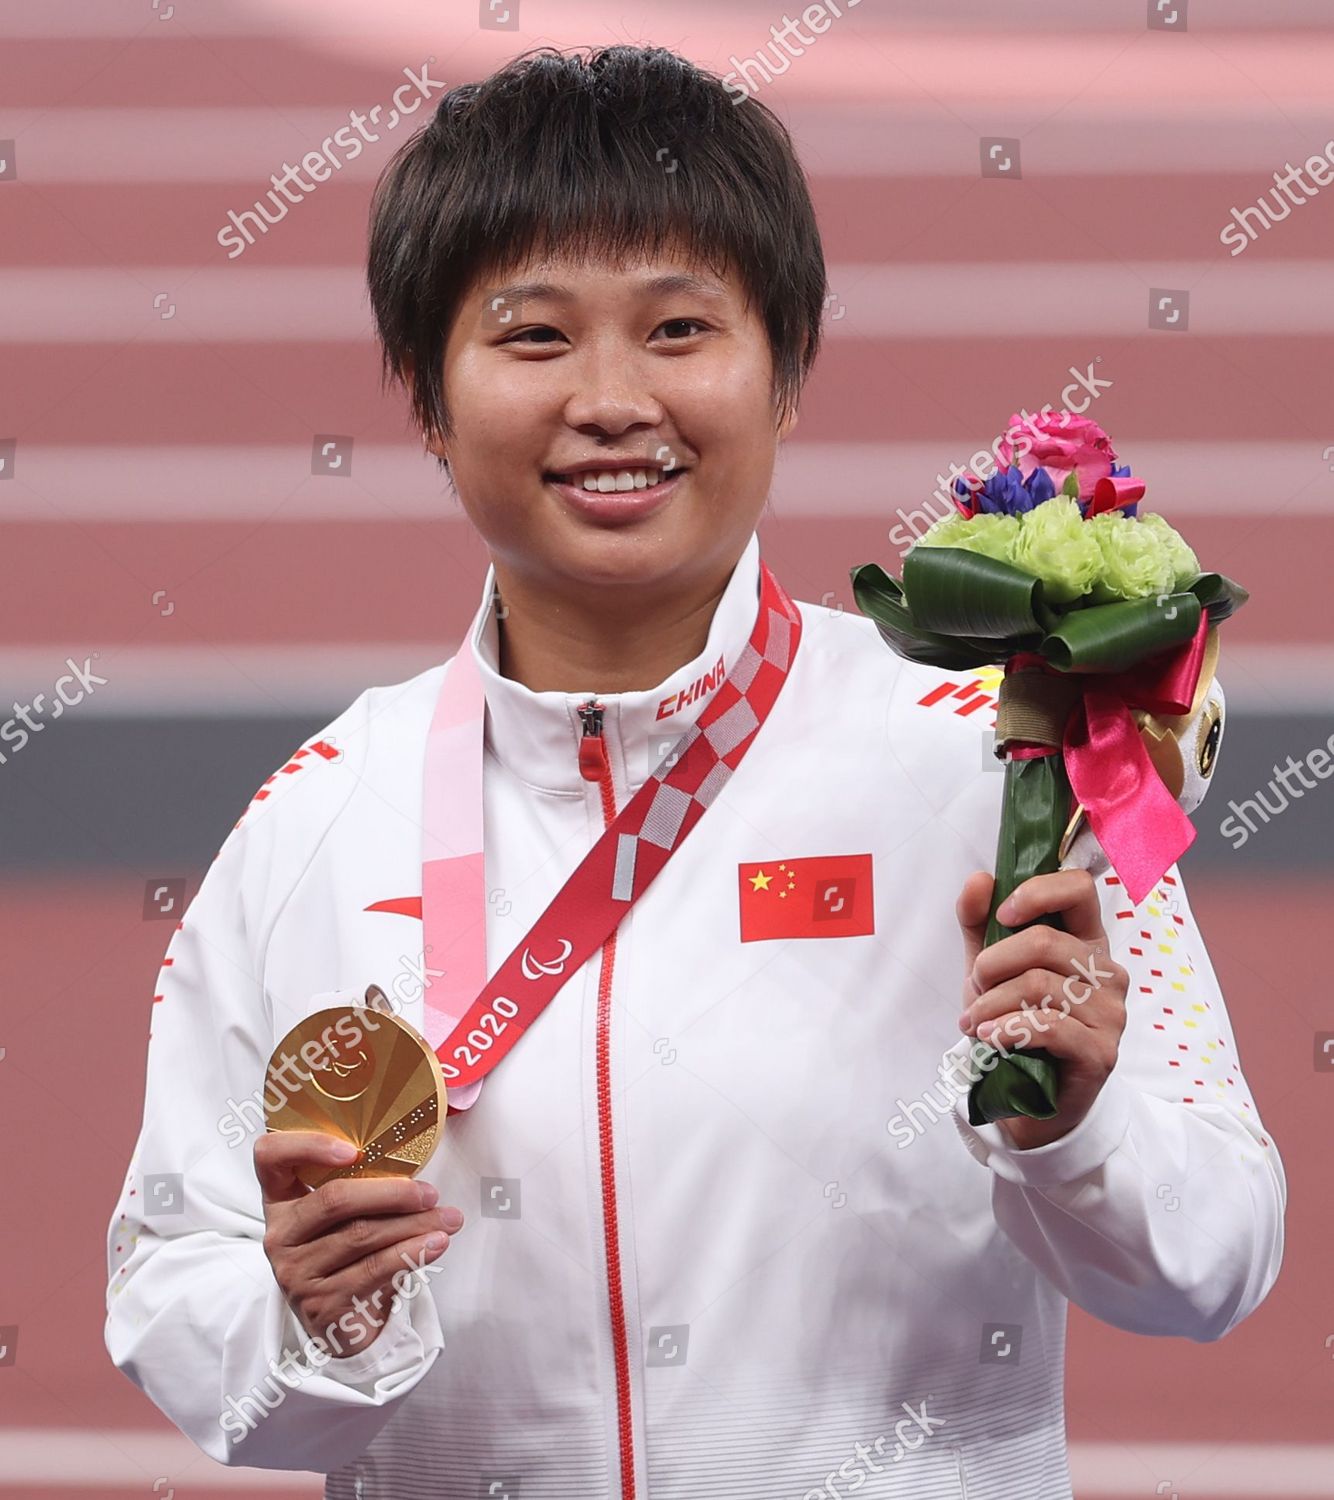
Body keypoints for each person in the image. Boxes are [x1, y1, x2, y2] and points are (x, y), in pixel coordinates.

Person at [104, 43, 1285, 1500]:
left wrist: (1076, 1128)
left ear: (784, 375)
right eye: (532, 339)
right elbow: (175, 1277)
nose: (609, 399)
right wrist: (313, 1319)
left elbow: (1218, 1256)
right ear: (423, 397)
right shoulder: (319, 816)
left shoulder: (1002, 753)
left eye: (678, 330)